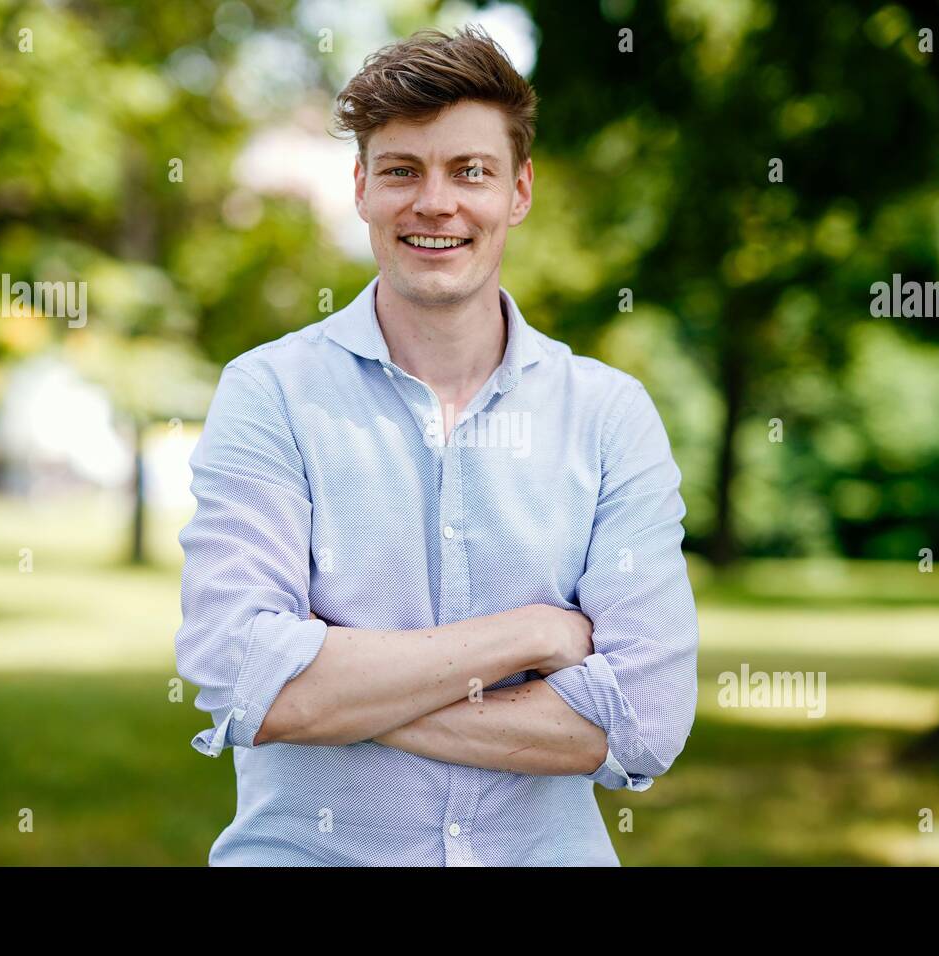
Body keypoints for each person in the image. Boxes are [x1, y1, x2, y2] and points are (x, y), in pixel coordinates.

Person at [174, 24, 699, 866]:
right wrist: (532, 634)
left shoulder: (610, 416)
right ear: (361, 188)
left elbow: (642, 720)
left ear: (519, 191)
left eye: (470, 172)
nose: (435, 203)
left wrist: (341, 694)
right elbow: (244, 678)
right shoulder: (269, 394)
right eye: (402, 171)